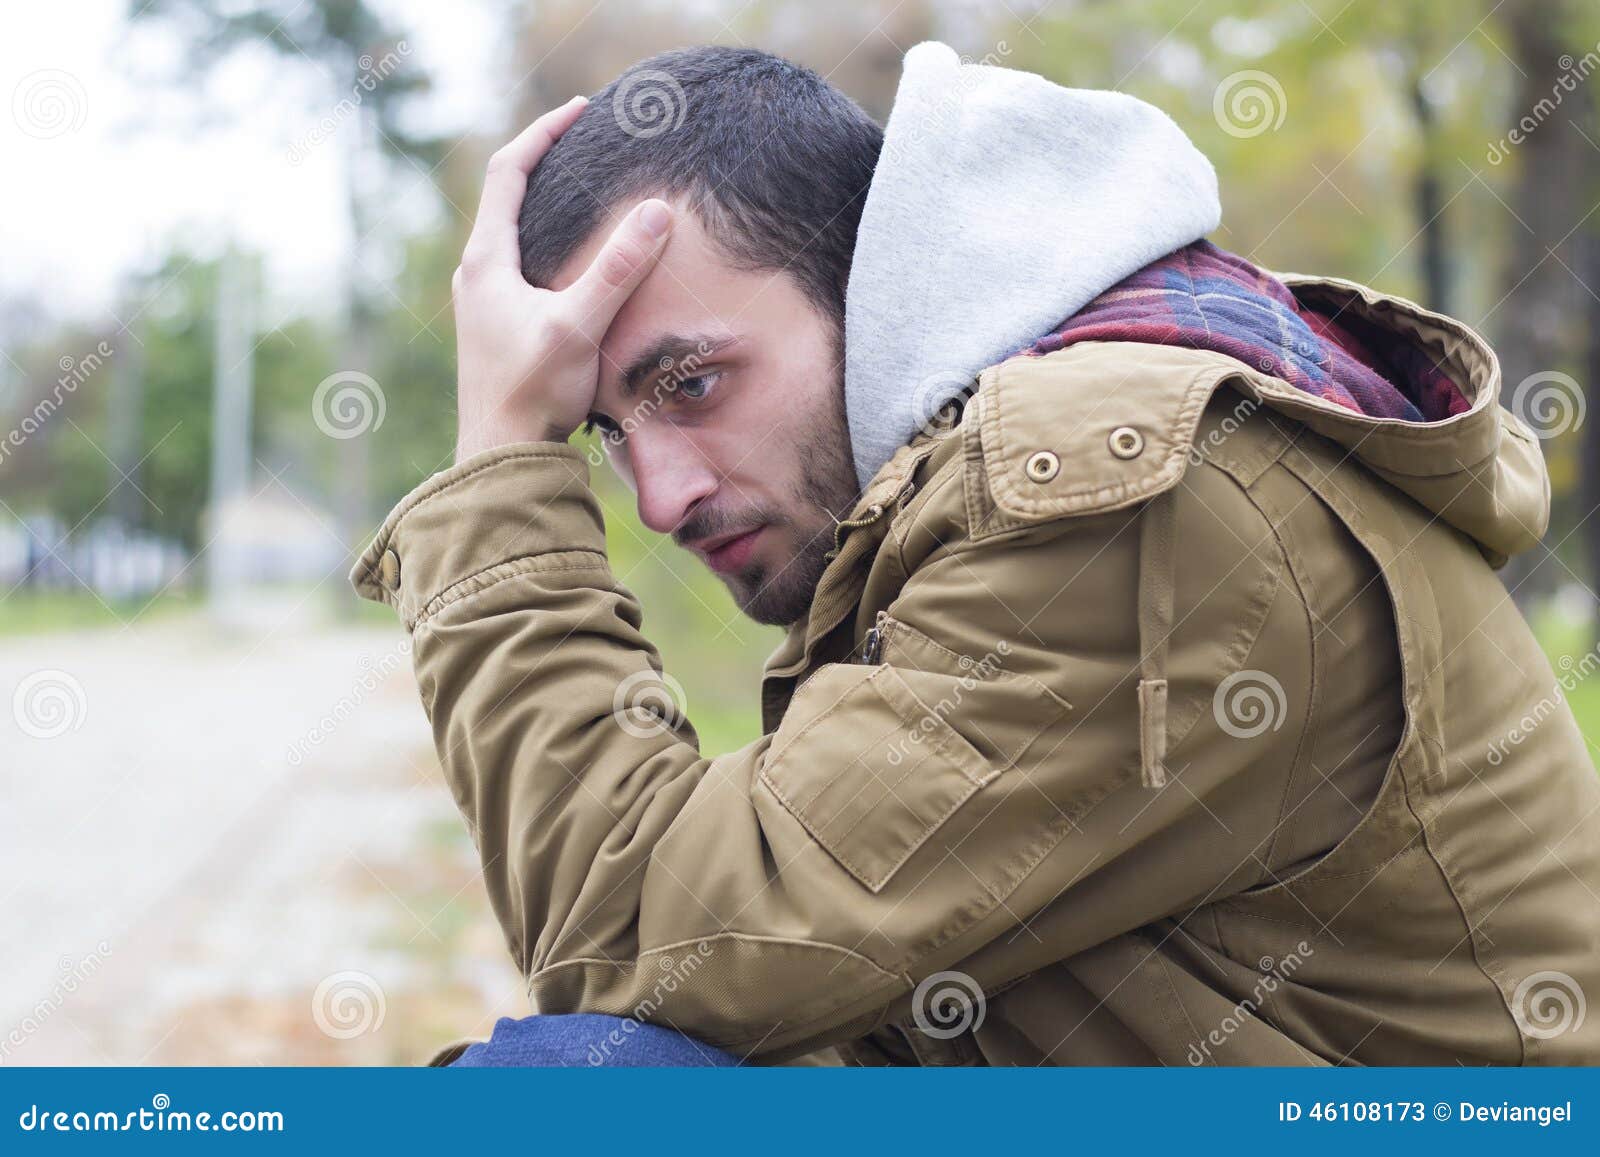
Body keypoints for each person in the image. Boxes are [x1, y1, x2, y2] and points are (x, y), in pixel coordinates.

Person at [352, 43, 1600, 1066]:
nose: (660, 495)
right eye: (601, 433)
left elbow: (634, 943)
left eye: (691, 380)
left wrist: (502, 454)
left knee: (576, 1093)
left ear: (867, 277)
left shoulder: (1125, 488)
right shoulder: (1038, 442)